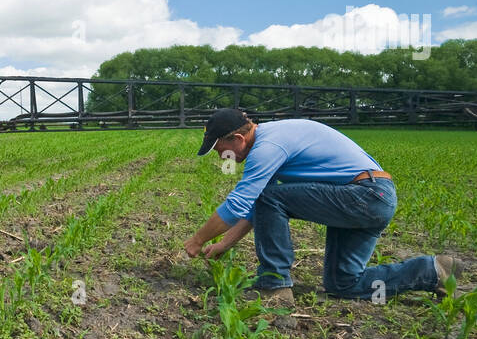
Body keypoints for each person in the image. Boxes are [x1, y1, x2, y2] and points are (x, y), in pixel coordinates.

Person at [183, 107, 462, 306]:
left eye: (221, 149)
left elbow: (241, 203)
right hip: (369, 199)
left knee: (270, 196)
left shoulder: (268, 147)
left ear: (238, 139)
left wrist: (197, 241)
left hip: (364, 195)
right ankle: (433, 271)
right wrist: (223, 245)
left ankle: (275, 285)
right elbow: (258, 207)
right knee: (343, 284)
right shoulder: (275, 137)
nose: (222, 156)